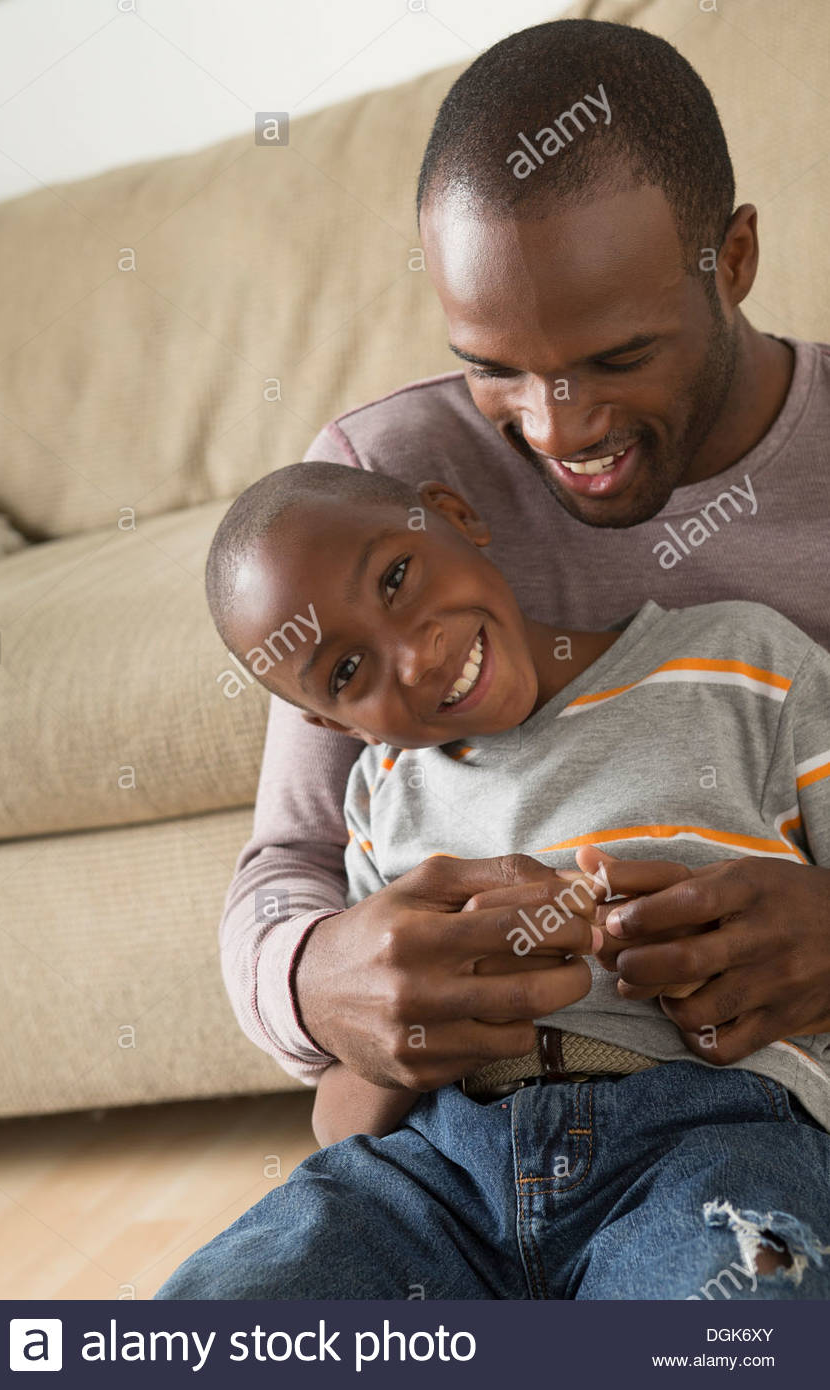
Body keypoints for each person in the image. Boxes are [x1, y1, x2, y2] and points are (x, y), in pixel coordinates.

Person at [154, 20, 830, 1299]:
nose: (555, 430)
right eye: (493, 372)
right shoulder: (379, 485)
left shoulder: (756, 653)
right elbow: (294, 861)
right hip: (445, 1164)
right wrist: (321, 982)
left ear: (730, 259)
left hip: (720, 1136)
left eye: (612, 358)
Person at [209, 459, 830, 1154]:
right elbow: (338, 1125)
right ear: (336, 727)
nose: (415, 659)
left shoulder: (745, 663)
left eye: (394, 579)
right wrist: (431, 1007)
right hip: (440, 1167)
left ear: (455, 514)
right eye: (347, 672)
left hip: (711, 1130)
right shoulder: (377, 794)